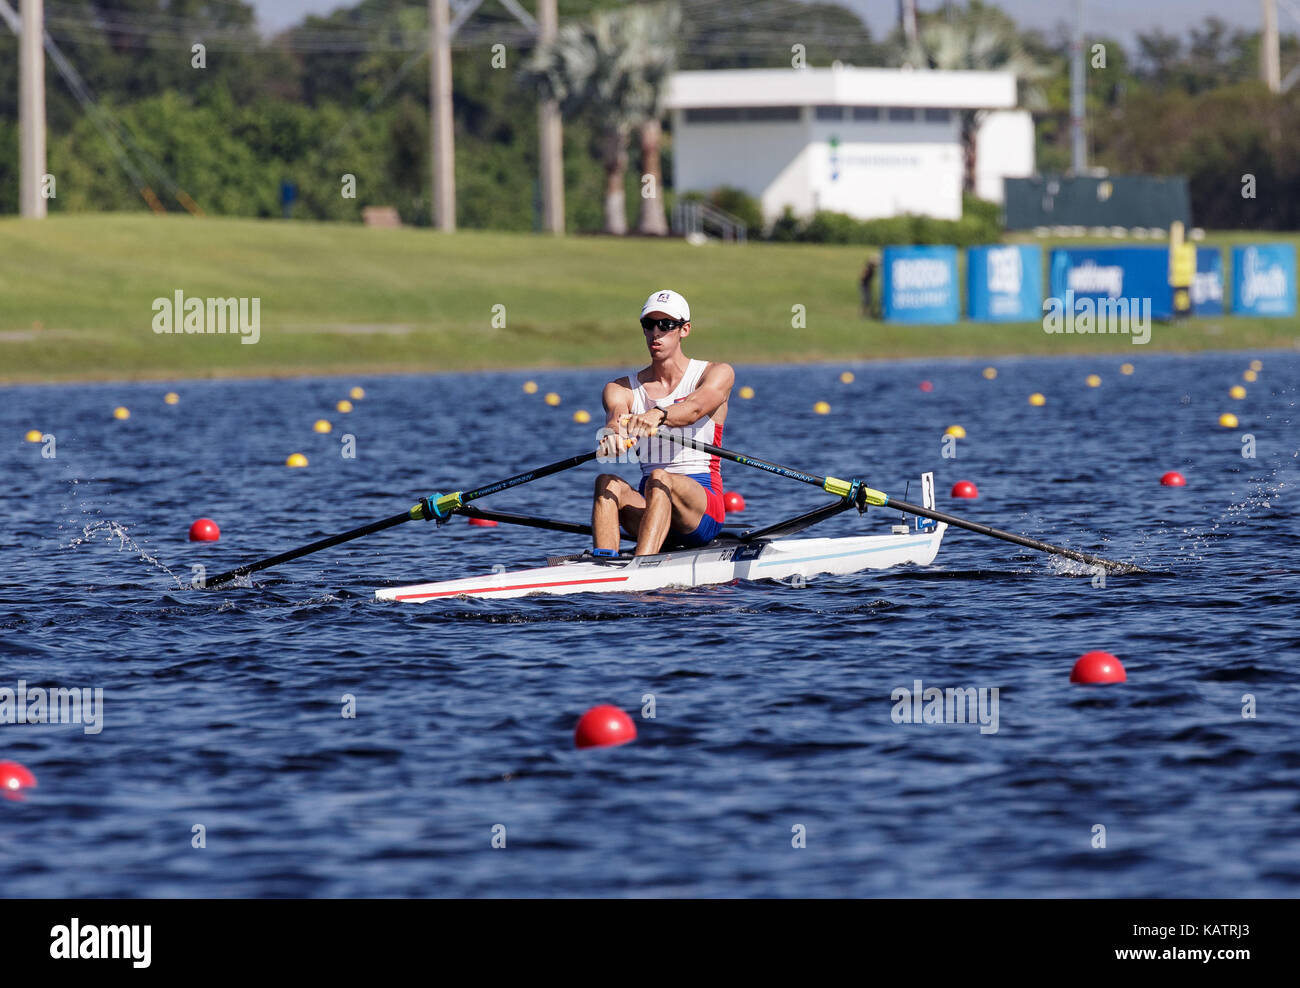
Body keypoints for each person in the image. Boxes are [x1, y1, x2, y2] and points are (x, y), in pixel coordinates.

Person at [593, 290, 734, 556]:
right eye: (649, 325)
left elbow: (693, 409)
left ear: (685, 330)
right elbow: (616, 420)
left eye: (666, 325)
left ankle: (641, 565)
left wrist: (657, 415)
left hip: (702, 509)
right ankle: (604, 565)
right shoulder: (621, 388)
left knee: (660, 478)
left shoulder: (715, 373)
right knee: (606, 482)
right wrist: (612, 436)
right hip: (651, 505)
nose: (656, 333)